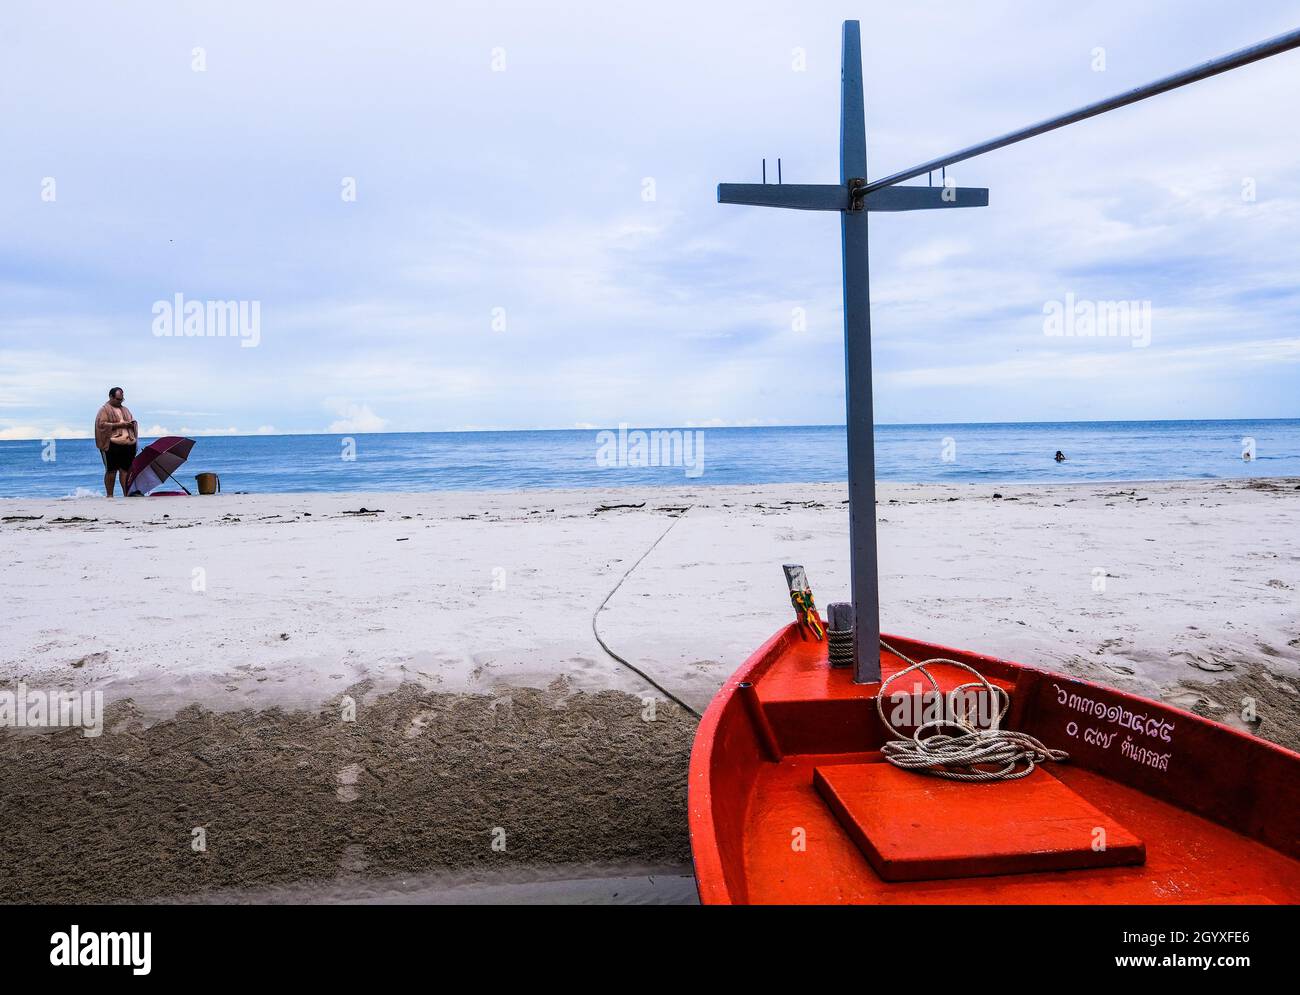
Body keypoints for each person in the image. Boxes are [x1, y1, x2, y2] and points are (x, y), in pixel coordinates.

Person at [95, 387, 138, 497]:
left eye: (122, 399)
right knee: (111, 470)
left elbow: (133, 421)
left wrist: (132, 424)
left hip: (128, 444)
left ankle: (126, 494)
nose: (120, 401)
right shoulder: (104, 409)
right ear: (111, 397)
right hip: (112, 444)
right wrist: (120, 425)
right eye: (118, 399)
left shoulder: (126, 410)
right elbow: (101, 425)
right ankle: (110, 495)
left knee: (125, 471)